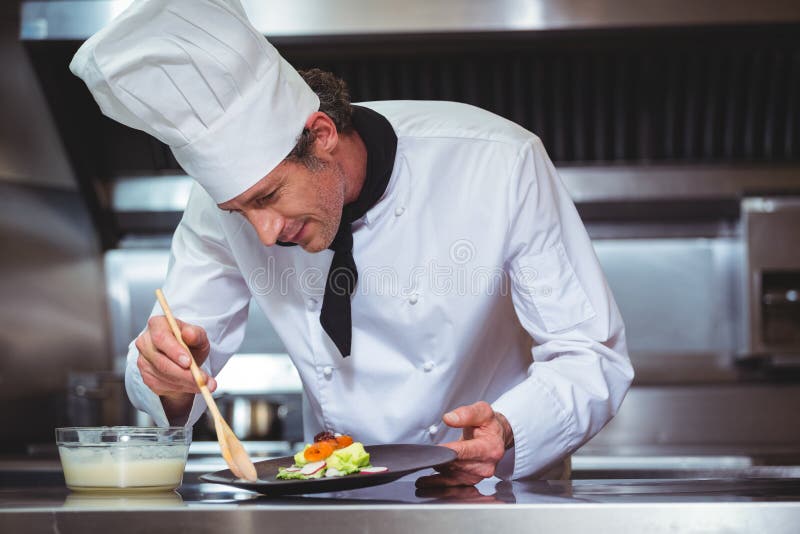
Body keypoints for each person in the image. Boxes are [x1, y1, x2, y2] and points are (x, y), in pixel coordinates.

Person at [70, 0, 633, 486]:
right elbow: (173, 372)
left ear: (321, 135)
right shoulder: (220, 211)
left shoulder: (499, 163)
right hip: (336, 495)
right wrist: (167, 378)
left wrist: (511, 427)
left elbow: (590, 353)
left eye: (268, 197)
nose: (263, 232)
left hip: (494, 498)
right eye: (238, 210)